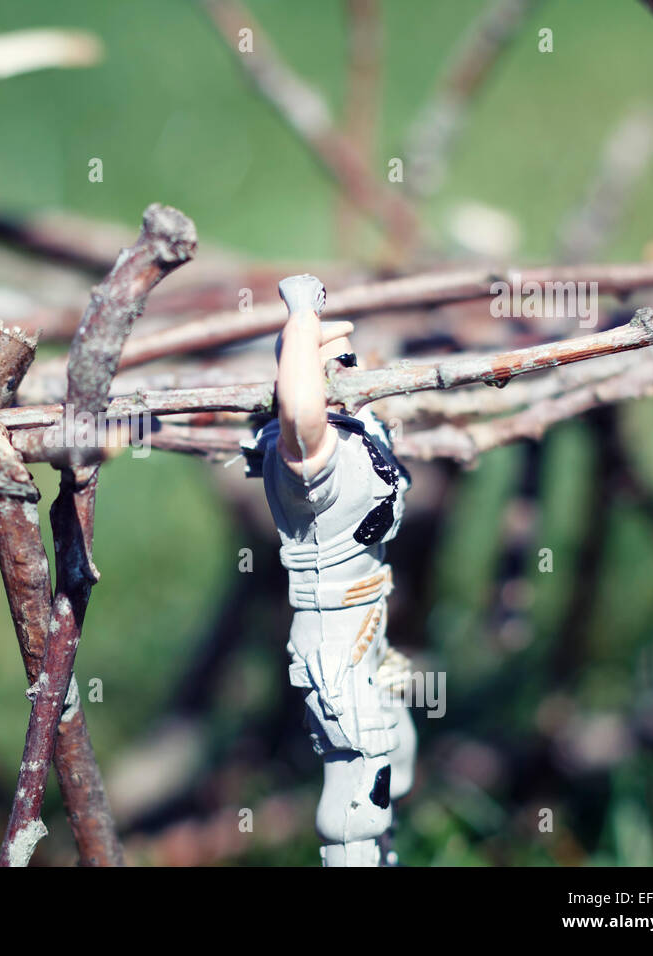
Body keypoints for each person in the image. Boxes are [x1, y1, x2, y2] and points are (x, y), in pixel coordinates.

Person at [256, 274, 417, 867]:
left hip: (367, 630)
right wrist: (301, 315)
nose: (350, 369)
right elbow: (300, 413)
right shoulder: (310, 470)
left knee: (395, 759)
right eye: (332, 364)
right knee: (359, 788)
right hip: (336, 639)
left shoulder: (357, 437)